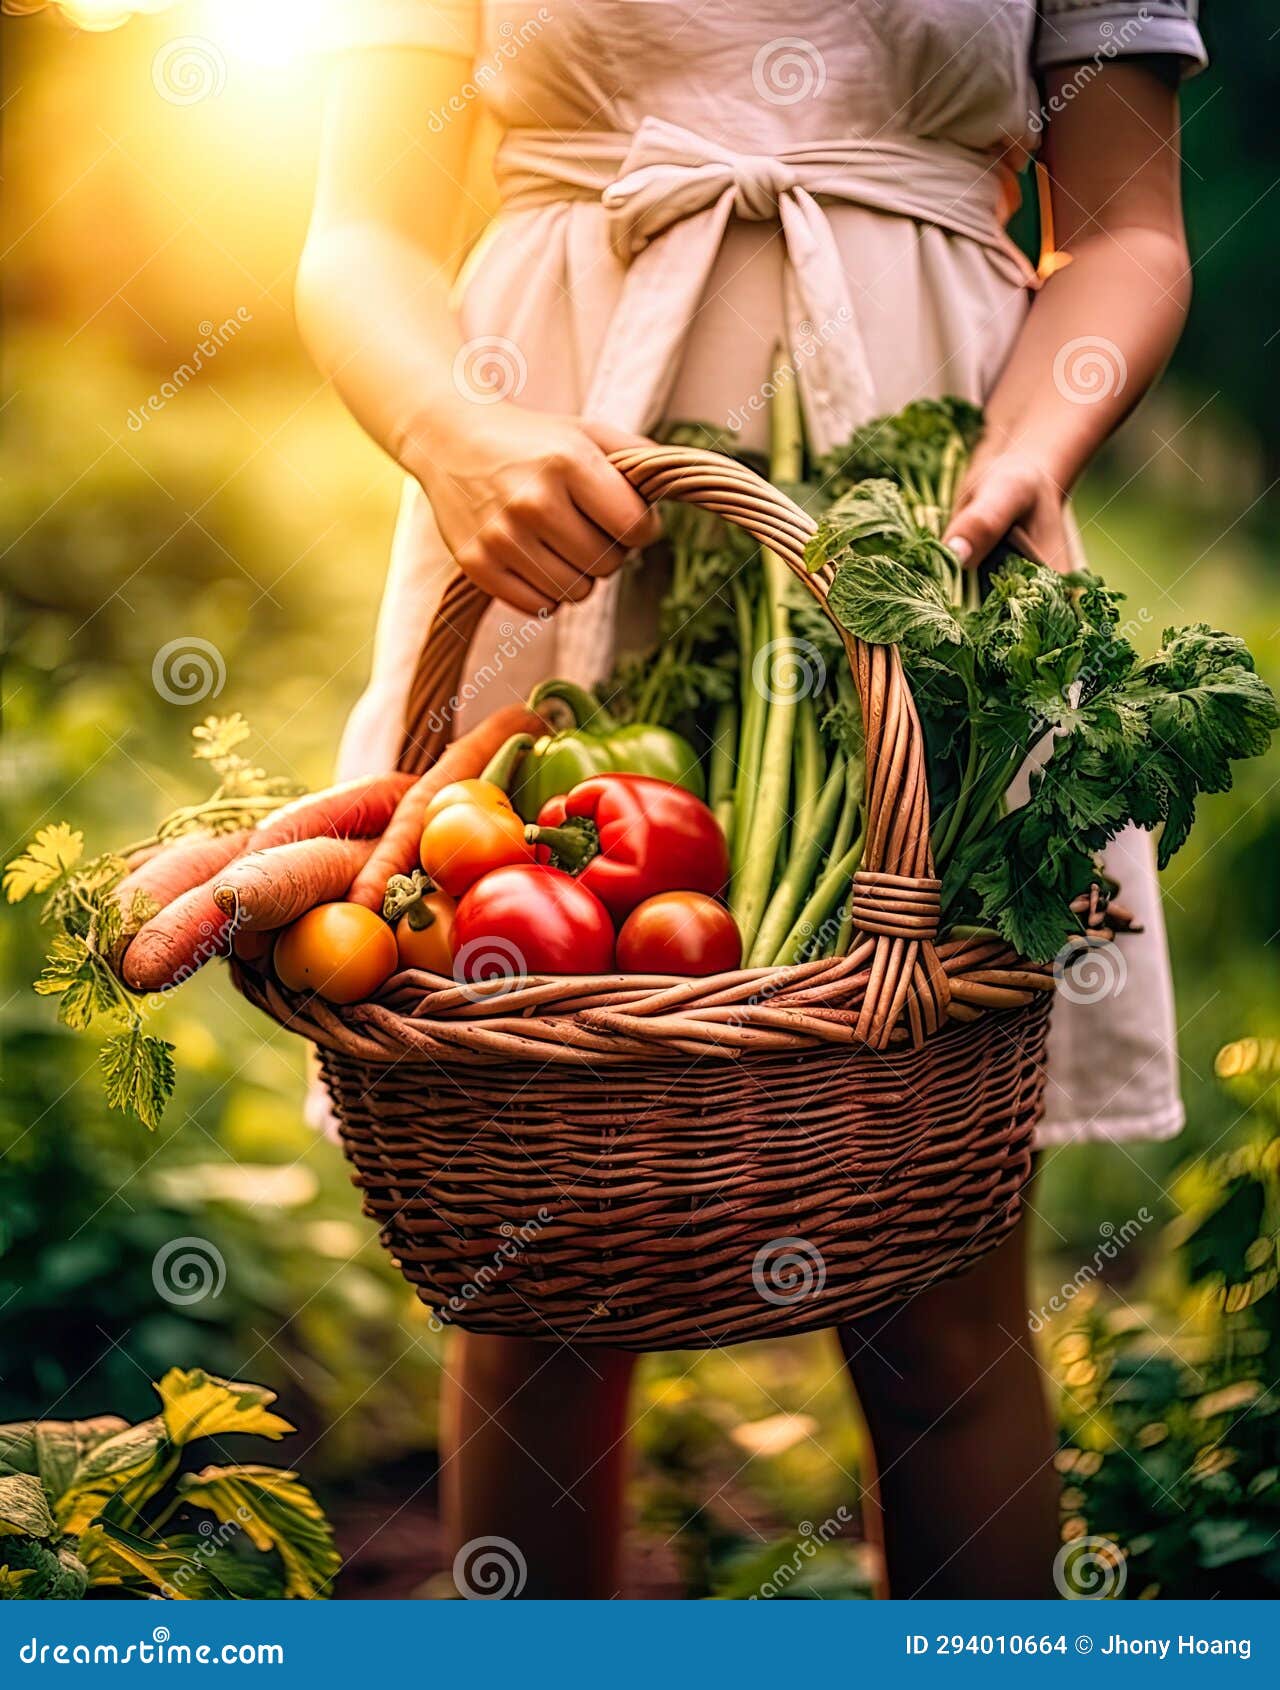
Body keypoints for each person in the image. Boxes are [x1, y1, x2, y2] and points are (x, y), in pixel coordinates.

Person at [296, 1, 1207, 1598]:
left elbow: (1129, 227)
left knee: (941, 1287)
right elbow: (358, 232)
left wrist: (1029, 451)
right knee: (537, 1270)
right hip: (554, 500)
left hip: (930, 520)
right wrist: (452, 432)